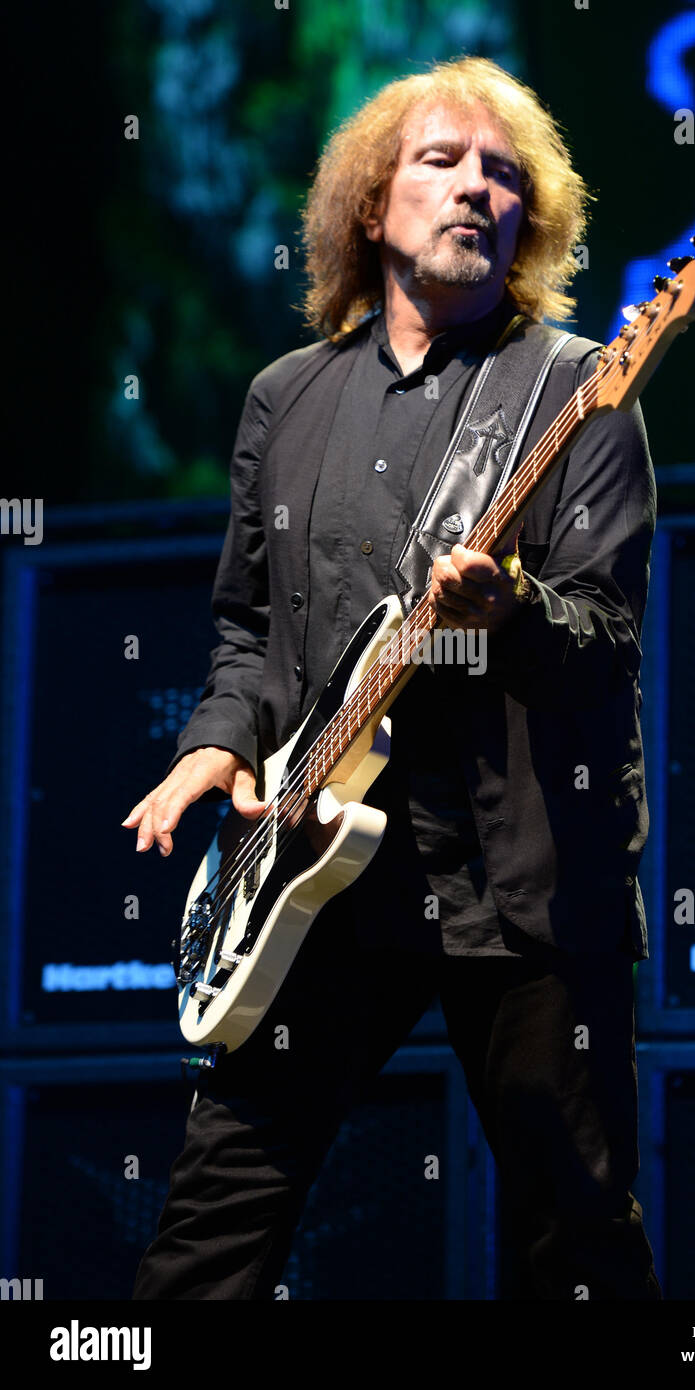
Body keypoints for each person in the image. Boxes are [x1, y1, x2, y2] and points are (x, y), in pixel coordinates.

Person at [124, 55, 661, 1301]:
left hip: (515, 881)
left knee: (574, 1237)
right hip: (313, 877)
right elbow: (252, 630)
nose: (476, 189)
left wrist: (508, 607)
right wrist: (217, 740)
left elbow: (606, 643)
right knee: (207, 1238)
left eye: (504, 176)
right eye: (442, 161)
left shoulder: (577, 392)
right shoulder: (285, 398)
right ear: (372, 205)